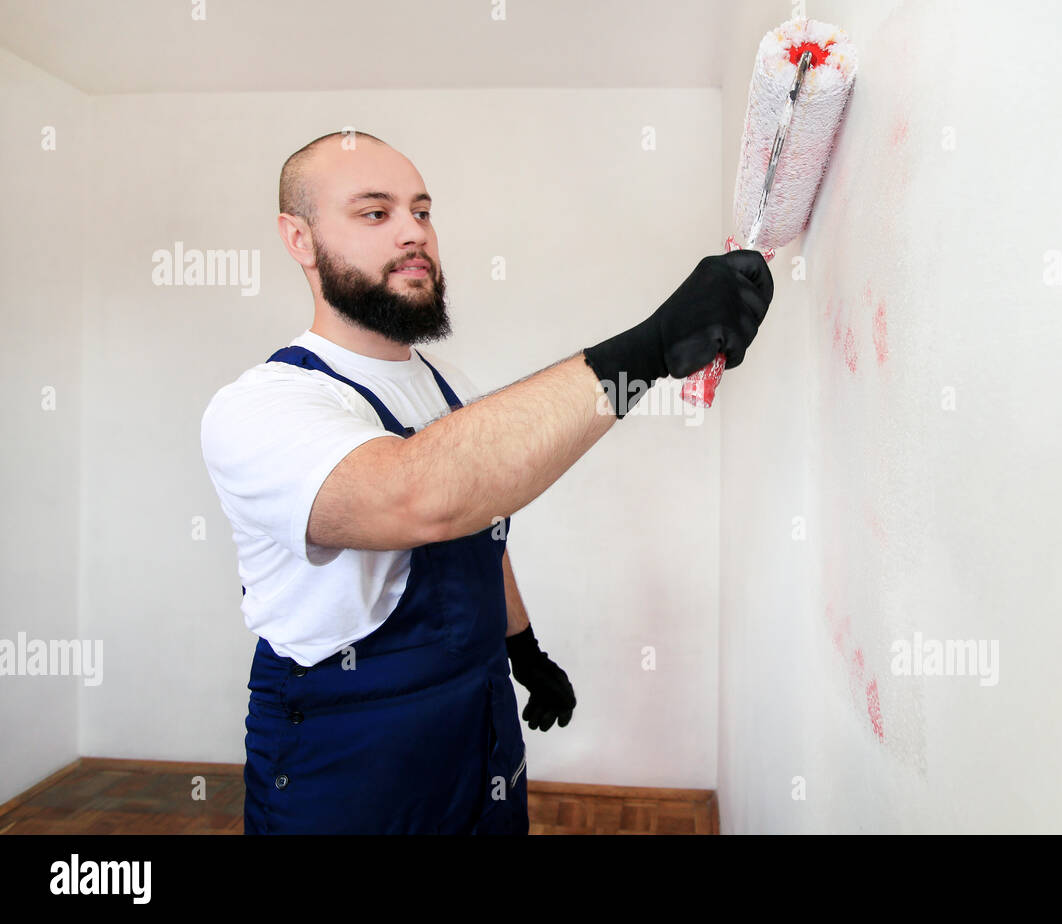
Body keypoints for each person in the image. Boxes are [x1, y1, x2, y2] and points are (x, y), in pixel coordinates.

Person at [199, 130, 774, 834]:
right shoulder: (263, 405)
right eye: (375, 213)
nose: (414, 233)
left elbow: (479, 522)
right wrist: (651, 347)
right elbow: (417, 497)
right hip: (348, 755)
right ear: (299, 237)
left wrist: (522, 648)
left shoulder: (449, 388)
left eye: (423, 210)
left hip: (478, 719)